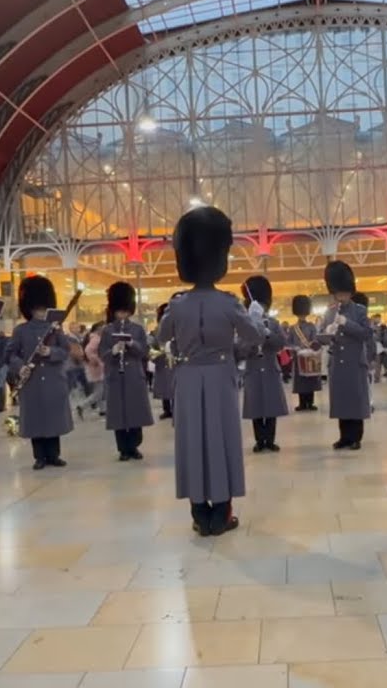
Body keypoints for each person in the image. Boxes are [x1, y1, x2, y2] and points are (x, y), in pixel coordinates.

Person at [158, 206, 266, 535]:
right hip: (221, 376)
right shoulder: (229, 303)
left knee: (192, 440)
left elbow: (162, 337)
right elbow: (255, 336)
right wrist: (255, 317)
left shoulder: (177, 305)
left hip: (188, 377)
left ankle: (198, 513)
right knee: (222, 439)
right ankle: (221, 512)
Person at [8, 275, 76, 470]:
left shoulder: (55, 328)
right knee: (36, 422)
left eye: (43, 309)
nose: (41, 313)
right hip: (32, 382)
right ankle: (39, 456)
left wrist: (50, 352)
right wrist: (20, 366)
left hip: (54, 381)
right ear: (29, 309)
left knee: (53, 421)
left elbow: (65, 350)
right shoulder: (21, 330)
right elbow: (11, 354)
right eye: (37, 310)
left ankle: (54, 455)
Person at [317, 261, 372, 450]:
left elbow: (366, 334)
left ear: (350, 291)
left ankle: (356, 437)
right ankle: (344, 437)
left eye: (344, 293)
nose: (341, 297)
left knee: (355, 401)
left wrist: (346, 323)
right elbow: (321, 339)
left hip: (354, 362)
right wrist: (326, 332)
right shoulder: (330, 312)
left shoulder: (360, 311)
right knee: (341, 402)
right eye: (338, 293)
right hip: (337, 364)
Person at [99, 282, 154, 461]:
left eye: (125, 312)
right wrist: (113, 351)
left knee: (135, 413)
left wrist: (132, 344)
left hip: (133, 376)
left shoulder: (137, 329)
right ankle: (123, 449)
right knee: (118, 416)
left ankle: (135, 446)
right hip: (115, 376)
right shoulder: (107, 330)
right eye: (119, 312)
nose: (122, 316)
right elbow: (102, 354)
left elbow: (144, 352)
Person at [240, 275, 289, 453]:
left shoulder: (274, 323)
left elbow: (281, 344)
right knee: (256, 409)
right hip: (253, 369)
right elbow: (241, 348)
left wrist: (268, 333)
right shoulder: (245, 325)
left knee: (270, 407)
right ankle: (259, 440)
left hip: (269, 368)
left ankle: (270, 439)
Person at [286, 295, 322, 411]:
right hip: (298, 357)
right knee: (300, 381)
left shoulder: (311, 326)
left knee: (310, 380)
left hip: (310, 355)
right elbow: (289, 343)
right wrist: (295, 348)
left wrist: (312, 346)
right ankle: (302, 403)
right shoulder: (292, 328)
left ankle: (310, 402)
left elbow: (315, 339)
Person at [150, 302, 175, 419]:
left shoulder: (174, 324)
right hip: (162, 359)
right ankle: (167, 409)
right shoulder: (158, 328)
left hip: (172, 359)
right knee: (166, 386)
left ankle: (172, 409)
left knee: (173, 386)